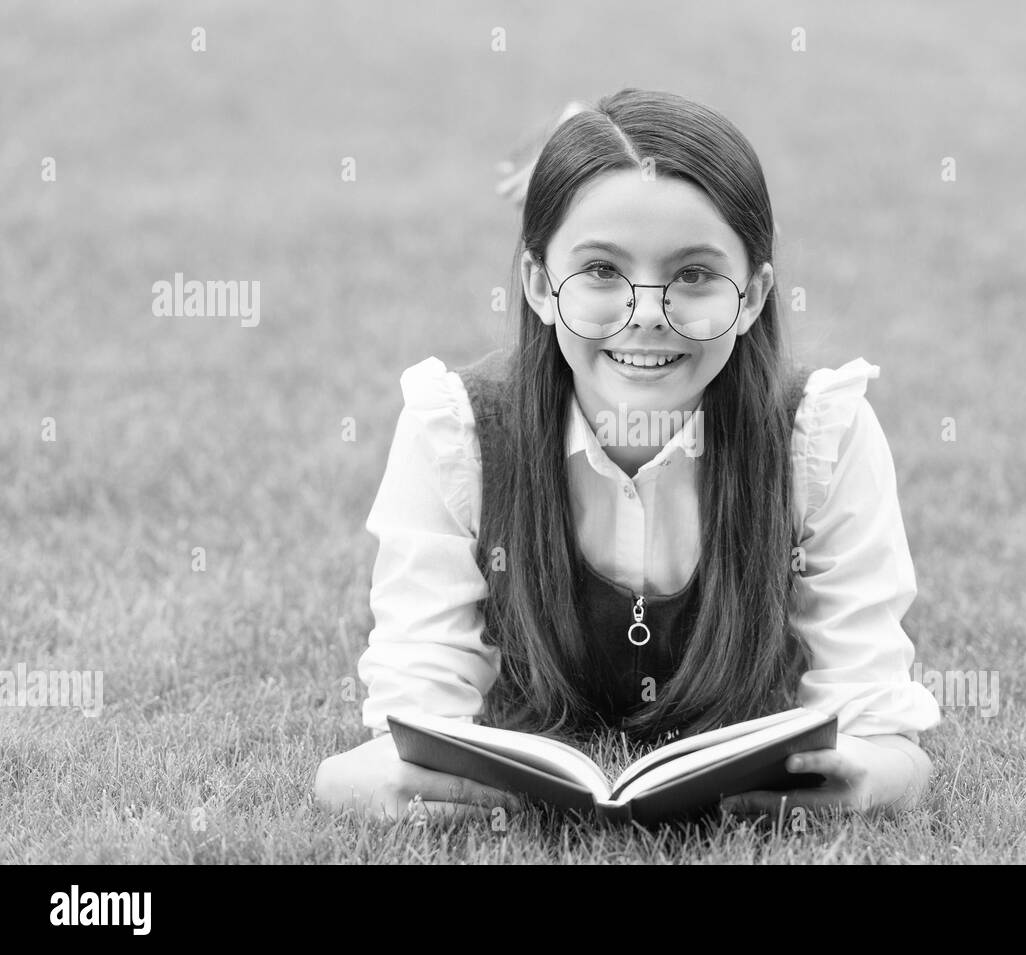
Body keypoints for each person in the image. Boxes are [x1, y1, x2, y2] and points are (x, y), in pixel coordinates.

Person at [314, 87, 940, 823]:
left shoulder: (822, 434)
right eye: (603, 272)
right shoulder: (456, 433)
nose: (646, 314)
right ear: (540, 284)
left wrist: (871, 773)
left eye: (695, 275)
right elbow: (411, 722)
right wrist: (355, 778)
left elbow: (881, 733)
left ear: (754, 296)